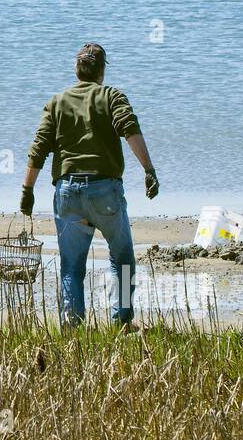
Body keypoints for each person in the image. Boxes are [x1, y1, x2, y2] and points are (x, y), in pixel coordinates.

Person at [21, 43, 159, 329]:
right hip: (104, 192)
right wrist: (148, 170)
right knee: (122, 261)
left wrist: (27, 190)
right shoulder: (111, 96)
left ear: (76, 69)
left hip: (68, 193)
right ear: (102, 71)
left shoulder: (56, 102)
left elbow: (38, 149)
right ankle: (121, 322)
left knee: (71, 266)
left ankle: (73, 328)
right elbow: (130, 129)